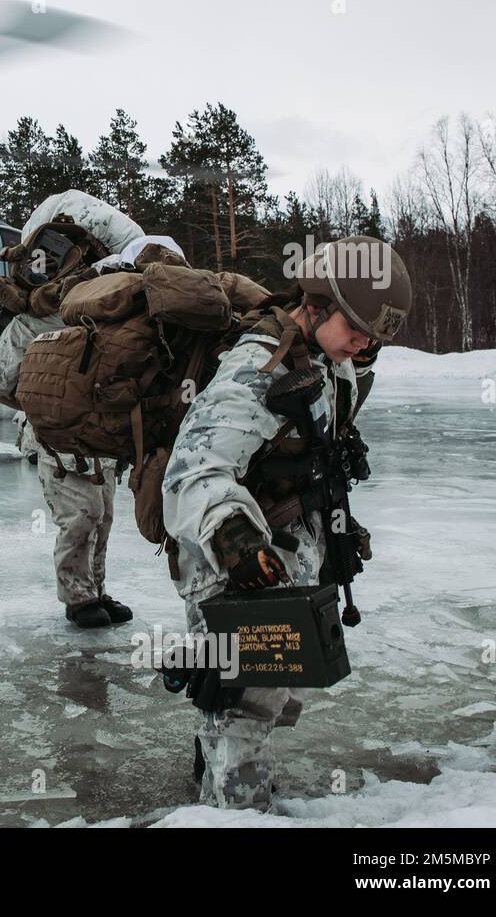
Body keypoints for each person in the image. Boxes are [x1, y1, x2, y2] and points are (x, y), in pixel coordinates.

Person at [161, 236, 411, 810]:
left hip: (285, 555)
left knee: (266, 691)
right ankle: (236, 814)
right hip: (230, 563)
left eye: (372, 334)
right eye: (355, 325)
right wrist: (235, 538)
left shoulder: (330, 364)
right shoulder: (257, 366)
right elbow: (194, 470)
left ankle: (222, 759)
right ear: (317, 302)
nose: (364, 341)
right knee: (245, 702)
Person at [16, 412, 133, 629]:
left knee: (102, 519)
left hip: (102, 444)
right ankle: (78, 598)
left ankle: (96, 591)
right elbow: (0, 382)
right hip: (60, 447)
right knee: (80, 519)